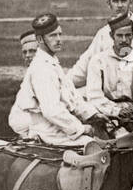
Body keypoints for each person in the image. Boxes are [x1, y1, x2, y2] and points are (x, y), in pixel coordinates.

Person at [9, 13, 101, 146]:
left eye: (59, 34)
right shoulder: (42, 69)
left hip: (55, 128)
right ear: (40, 40)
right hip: (48, 132)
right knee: (95, 148)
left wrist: (93, 115)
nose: (58, 39)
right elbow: (52, 111)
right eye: (52, 35)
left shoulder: (52, 63)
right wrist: (80, 129)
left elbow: (73, 97)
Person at [85, 12, 133, 132]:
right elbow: (94, 97)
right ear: (111, 35)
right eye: (119, 35)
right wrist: (116, 111)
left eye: (128, 35)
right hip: (106, 113)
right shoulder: (98, 61)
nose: (124, 40)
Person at [7, 29, 38, 138]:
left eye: (32, 51)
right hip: (24, 120)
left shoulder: (41, 70)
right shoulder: (33, 74)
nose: (27, 55)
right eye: (25, 52)